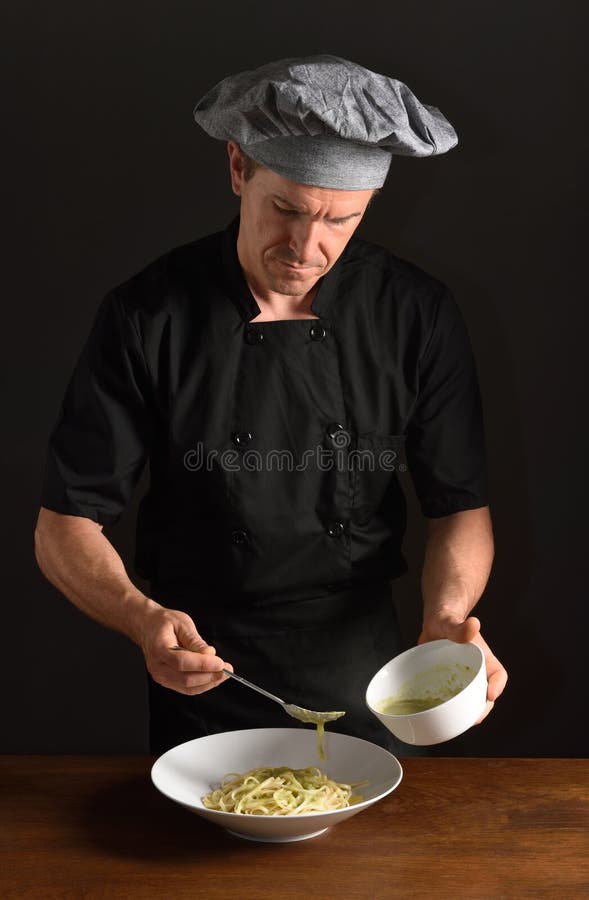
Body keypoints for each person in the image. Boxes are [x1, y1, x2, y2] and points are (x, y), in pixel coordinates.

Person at [34, 55, 507, 756]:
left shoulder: (416, 312)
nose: (305, 246)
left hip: (370, 671)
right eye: (286, 208)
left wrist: (444, 619)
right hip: (205, 664)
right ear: (237, 169)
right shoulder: (148, 315)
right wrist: (141, 620)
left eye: (339, 221)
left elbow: (460, 505)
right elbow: (65, 524)